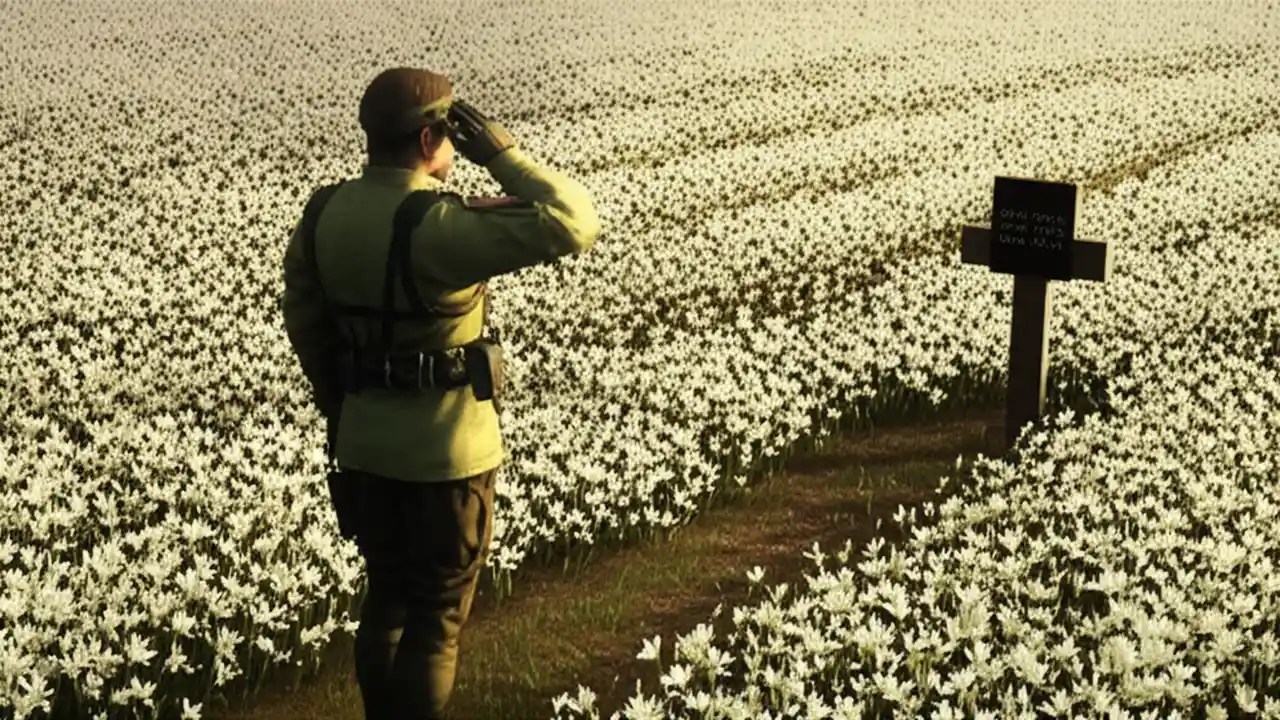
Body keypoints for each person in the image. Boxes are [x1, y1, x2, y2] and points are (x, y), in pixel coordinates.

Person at [281, 66, 600, 720]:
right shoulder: (439, 225)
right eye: (451, 136)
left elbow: (306, 325)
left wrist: (344, 407)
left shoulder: (324, 213)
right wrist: (502, 155)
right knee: (436, 619)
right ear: (431, 140)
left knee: (386, 600)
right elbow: (575, 220)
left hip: (364, 448)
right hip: (448, 457)